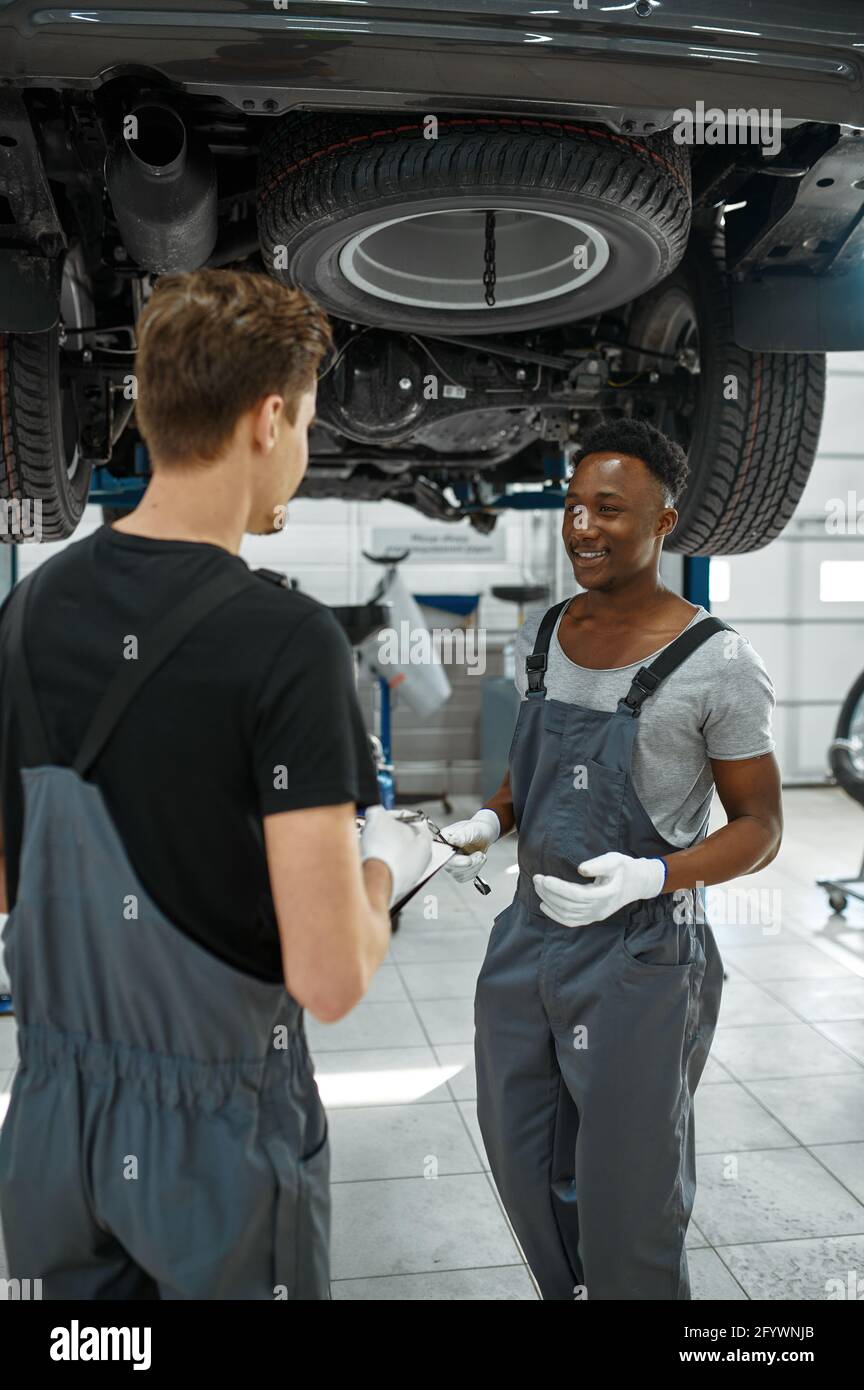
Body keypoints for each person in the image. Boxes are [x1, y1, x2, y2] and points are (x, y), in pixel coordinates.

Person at [0, 268, 432, 1299]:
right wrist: (386, 867)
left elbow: (9, 885)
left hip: (55, 1127)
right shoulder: (288, 641)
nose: (304, 452)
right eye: (310, 423)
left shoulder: (26, 615)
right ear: (269, 417)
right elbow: (329, 978)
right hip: (218, 1143)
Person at [442, 418, 782, 1301]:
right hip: (527, 944)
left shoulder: (719, 663)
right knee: (522, 1161)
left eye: (609, 509)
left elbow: (761, 826)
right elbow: (533, 773)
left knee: (629, 1202)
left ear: (664, 523)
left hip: (641, 961)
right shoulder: (549, 630)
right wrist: (490, 818)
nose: (582, 527)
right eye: (572, 506)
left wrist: (655, 876)